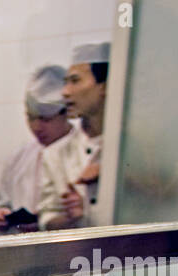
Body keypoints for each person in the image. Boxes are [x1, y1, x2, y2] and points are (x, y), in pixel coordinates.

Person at [0, 64, 73, 235]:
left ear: (66, 113)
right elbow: (1, 202)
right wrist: (0, 214)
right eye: (31, 117)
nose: (36, 127)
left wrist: (47, 224)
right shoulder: (19, 157)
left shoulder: (79, 153)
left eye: (45, 119)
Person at [37, 42, 110, 231]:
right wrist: (73, 217)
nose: (65, 92)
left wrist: (108, 170)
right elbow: (48, 217)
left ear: (104, 87)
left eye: (75, 81)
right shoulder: (55, 154)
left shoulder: (129, 150)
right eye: (66, 82)